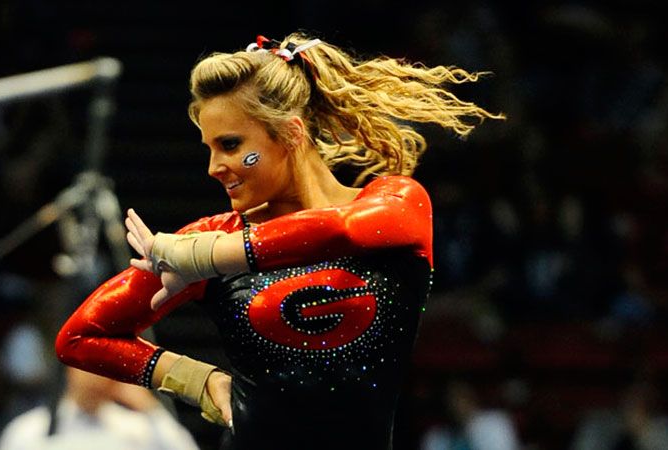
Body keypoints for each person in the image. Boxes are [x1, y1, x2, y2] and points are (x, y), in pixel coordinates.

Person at [55, 32, 503, 450]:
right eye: (209, 147)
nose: (214, 166)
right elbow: (79, 337)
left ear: (290, 132)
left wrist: (203, 256)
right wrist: (199, 380)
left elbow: (343, 229)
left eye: (230, 144)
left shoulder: (396, 204)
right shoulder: (216, 236)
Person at [0, 366, 200, 450]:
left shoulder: (137, 429)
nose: (96, 378)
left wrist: (152, 409)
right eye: (89, 367)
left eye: (104, 367)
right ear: (70, 369)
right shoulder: (29, 431)